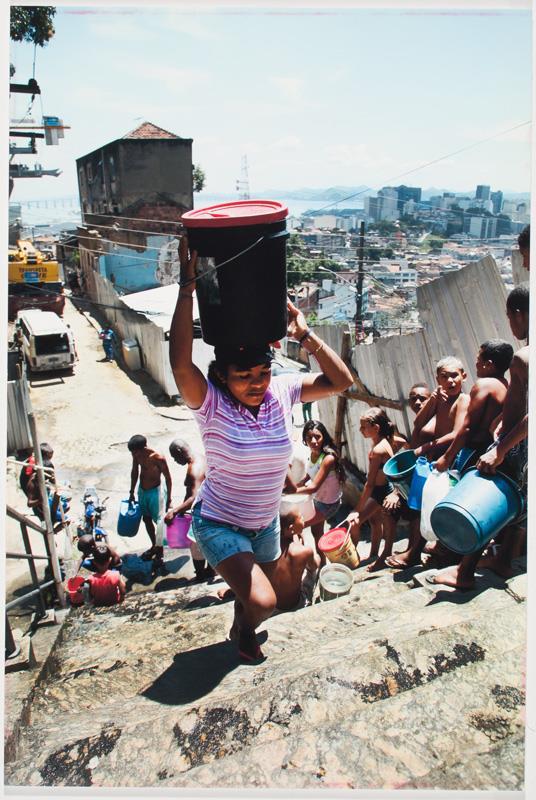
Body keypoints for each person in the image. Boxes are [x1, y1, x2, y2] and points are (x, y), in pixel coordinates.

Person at [169, 236, 352, 662]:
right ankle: (247, 619)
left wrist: (305, 336)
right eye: (243, 375)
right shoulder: (210, 404)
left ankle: (242, 627)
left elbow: (341, 382)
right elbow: (180, 363)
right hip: (219, 522)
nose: (255, 383)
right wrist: (186, 290)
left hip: (264, 524)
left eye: (262, 372)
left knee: (254, 603)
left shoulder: (282, 392)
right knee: (267, 600)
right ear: (222, 376)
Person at [430, 285, 529, 590]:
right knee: (516, 501)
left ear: (518, 314)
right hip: (516, 437)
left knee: (484, 498)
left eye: (509, 317)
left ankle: (464, 573)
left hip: (513, 446)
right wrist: (503, 420)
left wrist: (500, 448)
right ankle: (502, 560)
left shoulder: (524, 358)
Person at [434, 340, 513, 474]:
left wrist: (447, 457)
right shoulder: (505, 386)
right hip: (492, 450)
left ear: (488, 364)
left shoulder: (484, 384)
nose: (476, 363)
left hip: (475, 452)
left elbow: (468, 427)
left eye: (478, 359)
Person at [345, 408, 407, 572]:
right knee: (374, 521)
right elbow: (402, 441)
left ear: (376, 428)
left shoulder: (378, 451)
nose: (360, 430)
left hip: (380, 491)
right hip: (384, 487)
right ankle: (373, 553)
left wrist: (357, 510)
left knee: (355, 522)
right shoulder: (388, 440)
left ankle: (352, 559)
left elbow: (370, 484)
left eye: (364, 427)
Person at [288, 420, 345, 562]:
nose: (313, 441)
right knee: (316, 531)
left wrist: (291, 491)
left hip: (329, 504)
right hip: (318, 500)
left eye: (317, 437)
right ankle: (322, 564)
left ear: (323, 437)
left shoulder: (328, 458)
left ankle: (306, 563)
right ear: (304, 440)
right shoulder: (313, 454)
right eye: (309, 438)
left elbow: (313, 487)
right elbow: (310, 473)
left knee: (295, 528)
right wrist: (300, 483)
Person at [165, 438, 215, 582]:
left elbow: (194, 497)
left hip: (203, 512)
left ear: (180, 452)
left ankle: (200, 576)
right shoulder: (200, 456)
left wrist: (173, 511)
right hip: (212, 508)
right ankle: (211, 571)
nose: (175, 461)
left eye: (175, 457)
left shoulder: (194, 469)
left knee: (196, 546)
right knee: (210, 543)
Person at [411, 356, 470, 460]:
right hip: (438, 455)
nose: (449, 380)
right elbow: (418, 424)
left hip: (453, 456)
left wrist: (426, 447)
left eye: (454, 375)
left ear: (464, 377)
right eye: (444, 376)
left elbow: (456, 434)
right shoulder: (440, 400)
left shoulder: (463, 400)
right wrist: (432, 400)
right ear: (438, 380)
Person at [128, 434, 172, 569]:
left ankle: (160, 552)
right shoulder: (136, 455)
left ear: (143, 448)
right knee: (146, 520)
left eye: (135, 451)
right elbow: (135, 471)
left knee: (159, 524)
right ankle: (154, 545)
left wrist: (169, 498)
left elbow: (168, 478)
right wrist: (131, 492)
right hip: (142, 491)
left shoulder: (158, 457)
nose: (134, 454)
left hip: (156, 493)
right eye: (132, 452)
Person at [270, 510, 321, 611]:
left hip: (273, 605)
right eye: (301, 517)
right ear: (291, 528)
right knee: (312, 567)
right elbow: (314, 565)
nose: (303, 519)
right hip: (297, 604)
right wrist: (309, 551)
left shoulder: (266, 548)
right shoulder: (304, 551)